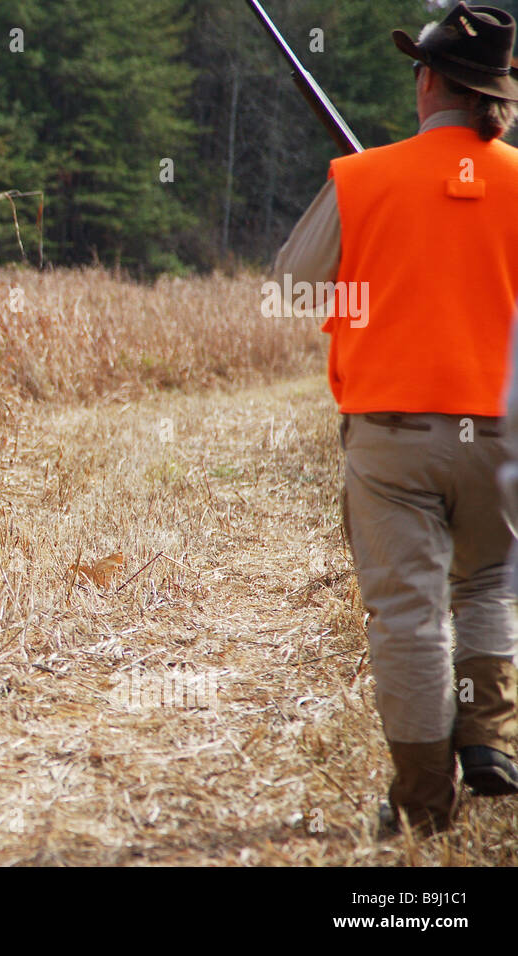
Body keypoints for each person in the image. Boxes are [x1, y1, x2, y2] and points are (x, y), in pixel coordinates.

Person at [274, 2, 518, 835]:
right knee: (487, 582)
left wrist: (375, 269)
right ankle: (490, 738)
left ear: (426, 81)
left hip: (391, 438)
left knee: (411, 613)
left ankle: (422, 805)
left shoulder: (364, 177)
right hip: (500, 438)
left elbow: (292, 287)